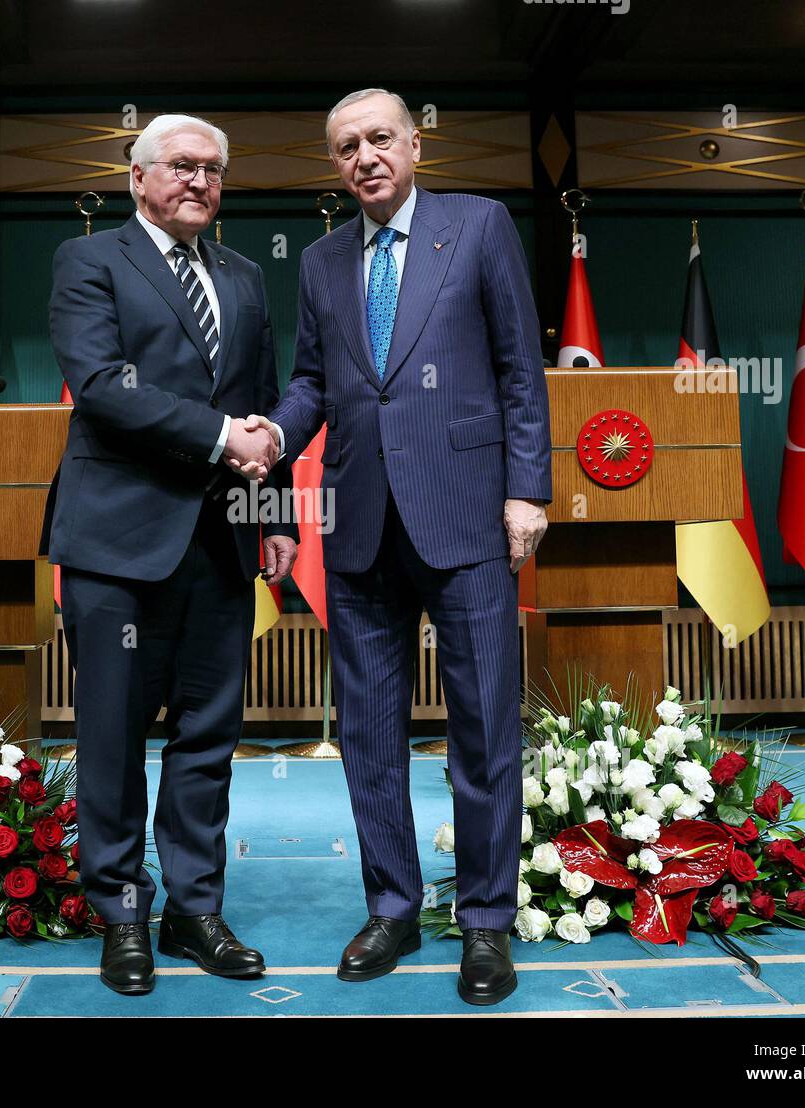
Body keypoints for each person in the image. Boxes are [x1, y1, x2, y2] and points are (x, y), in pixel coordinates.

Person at [241, 88, 551, 1006]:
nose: (365, 156)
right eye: (346, 147)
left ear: (414, 143)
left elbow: (518, 368)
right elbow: (312, 383)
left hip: (466, 516)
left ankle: (487, 923)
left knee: (485, 730)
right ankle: (392, 906)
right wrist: (270, 435)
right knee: (368, 735)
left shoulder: (481, 225)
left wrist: (527, 488)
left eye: (379, 139)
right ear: (334, 165)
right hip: (359, 524)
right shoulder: (325, 260)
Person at [41, 113, 298, 996]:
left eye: (213, 170)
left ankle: (194, 909)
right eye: (181, 167)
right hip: (118, 545)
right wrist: (226, 434)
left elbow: (264, 404)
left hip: (222, 543)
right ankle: (120, 913)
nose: (198, 181)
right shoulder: (90, 261)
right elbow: (103, 388)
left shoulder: (246, 276)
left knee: (207, 739)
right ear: (139, 178)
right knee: (111, 738)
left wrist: (277, 516)